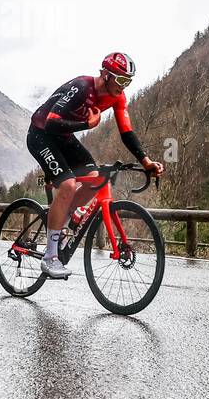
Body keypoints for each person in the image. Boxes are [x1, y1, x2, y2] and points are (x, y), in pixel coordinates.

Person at [28, 52, 164, 279]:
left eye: (128, 82)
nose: (124, 87)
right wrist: (86, 124)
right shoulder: (82, 86)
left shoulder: (118, 98)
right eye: (121, 80)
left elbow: (127, 133)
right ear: (106, 75)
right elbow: (51, 122)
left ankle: (62, 220)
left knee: (97, 177)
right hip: (41, 135)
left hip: (65, 137)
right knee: (68, 186)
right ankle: (50, 257)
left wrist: (146, 161)